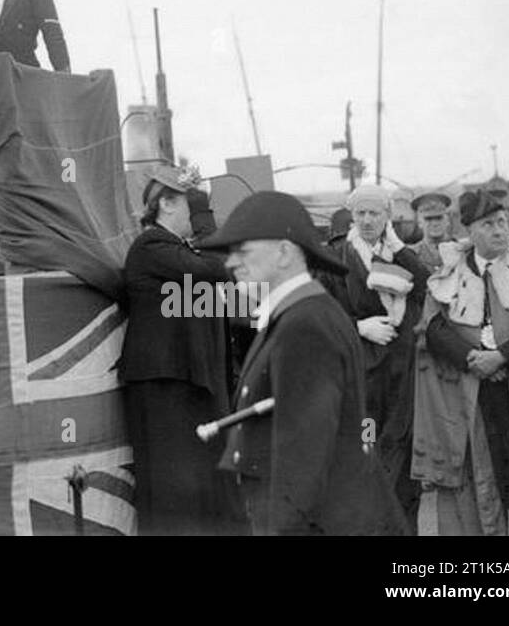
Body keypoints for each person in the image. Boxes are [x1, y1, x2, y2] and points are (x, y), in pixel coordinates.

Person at [198, 192, 406, 535]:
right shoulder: (299, 316)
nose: (230, 263)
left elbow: (303, 461)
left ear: (283, 253)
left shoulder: (303, 325)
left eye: (243, 251)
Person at [413, 189, 509, 535]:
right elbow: (433, 328)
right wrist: (472, 360)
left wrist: (502, 357)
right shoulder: (451, 270)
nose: (500, 230)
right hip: (476, 398)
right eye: (488, 224)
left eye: (502, 222)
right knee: (485, 484)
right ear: (470, 231)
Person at [118, 164, 240, 535]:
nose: (196, 216)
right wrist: (206, 219)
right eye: (190, 206)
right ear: (167, 204)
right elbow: (217, 270)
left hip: (183, 381)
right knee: (174, 483)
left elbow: (217, 297)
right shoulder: (153, 245)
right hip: (163, 383)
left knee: (192, 481)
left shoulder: (175, 253)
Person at [327, 183, 431, 519]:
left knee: (400, 441)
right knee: (365, 440)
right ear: (352, 216)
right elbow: (322, 312)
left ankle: (404, 523)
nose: (368, 220)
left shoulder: (399, 254)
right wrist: (358, 327)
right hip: (362, 373)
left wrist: (400, 249)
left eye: (375, 213)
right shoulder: (337, 257)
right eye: (361, 213)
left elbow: (427, 287)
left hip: (401, 371)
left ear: (387, 216)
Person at [409, 192, 453, 271]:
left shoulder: (462, 251)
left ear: (447, 221)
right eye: (428, 219)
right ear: (419, 223)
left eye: (439, 218)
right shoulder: (411, 255)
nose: (435, 224)